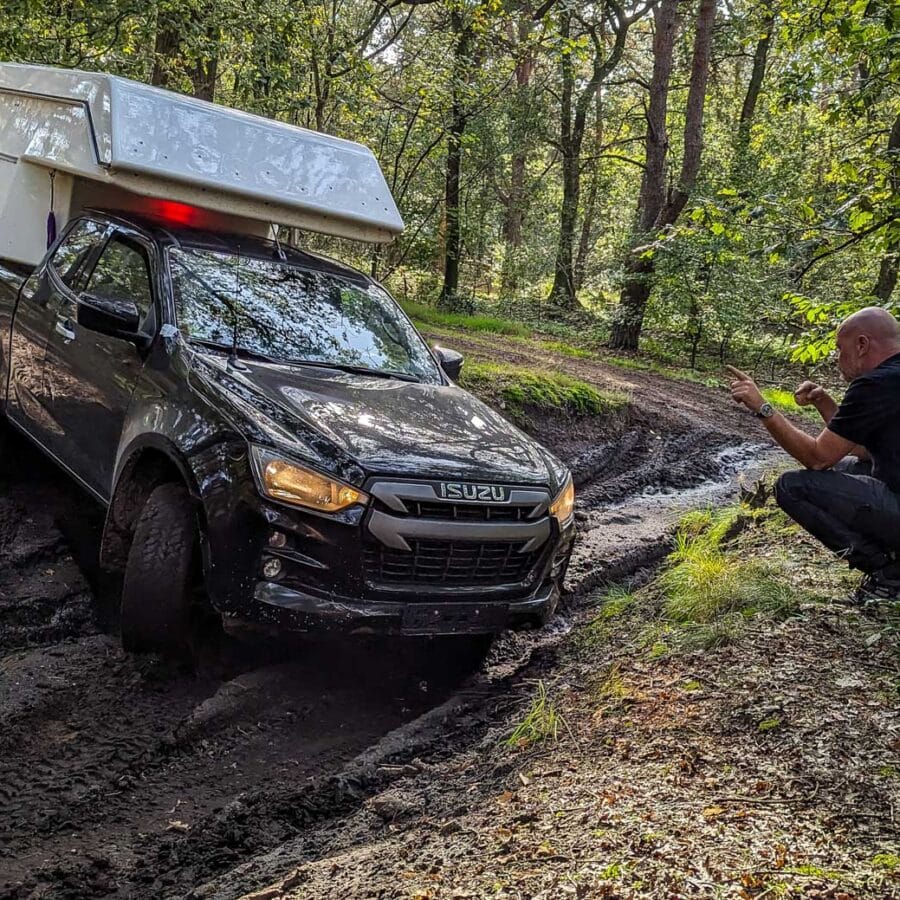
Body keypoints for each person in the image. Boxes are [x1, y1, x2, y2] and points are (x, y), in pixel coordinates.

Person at [728, 306, 900, 603]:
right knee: (851, 465)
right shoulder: (892, 379)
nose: (836, 359)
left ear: (862, 344)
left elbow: (818, 457)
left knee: (793, 487)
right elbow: (864, 449)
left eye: (839, 349)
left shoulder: (876, 384)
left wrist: (763, 408)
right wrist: (824, 403)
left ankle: (889, 574)